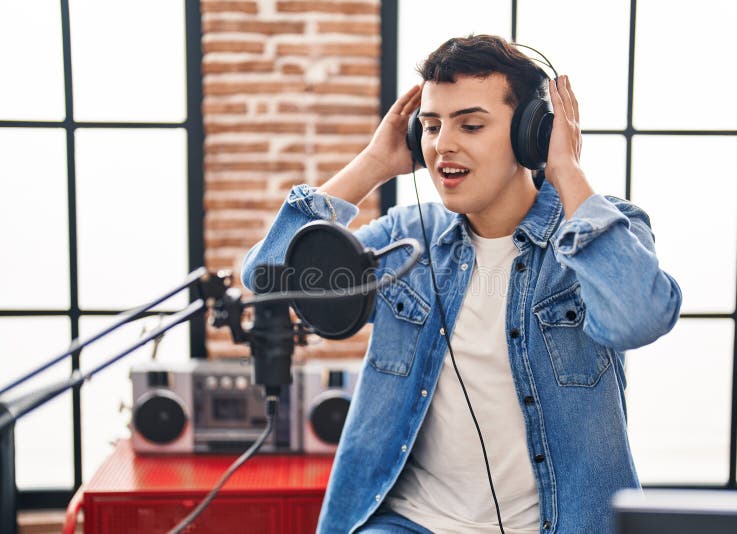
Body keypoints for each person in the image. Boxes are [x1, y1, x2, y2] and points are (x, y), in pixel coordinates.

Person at [242, 34, 681, 534]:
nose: (442, 145)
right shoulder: (407, 238)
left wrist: (566, 170)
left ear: (531, 135)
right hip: (411, 523)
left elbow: (638, 317)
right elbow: (268, 278)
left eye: (470, 125)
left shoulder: (597, 231)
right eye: (430, 127)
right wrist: (373, 164)